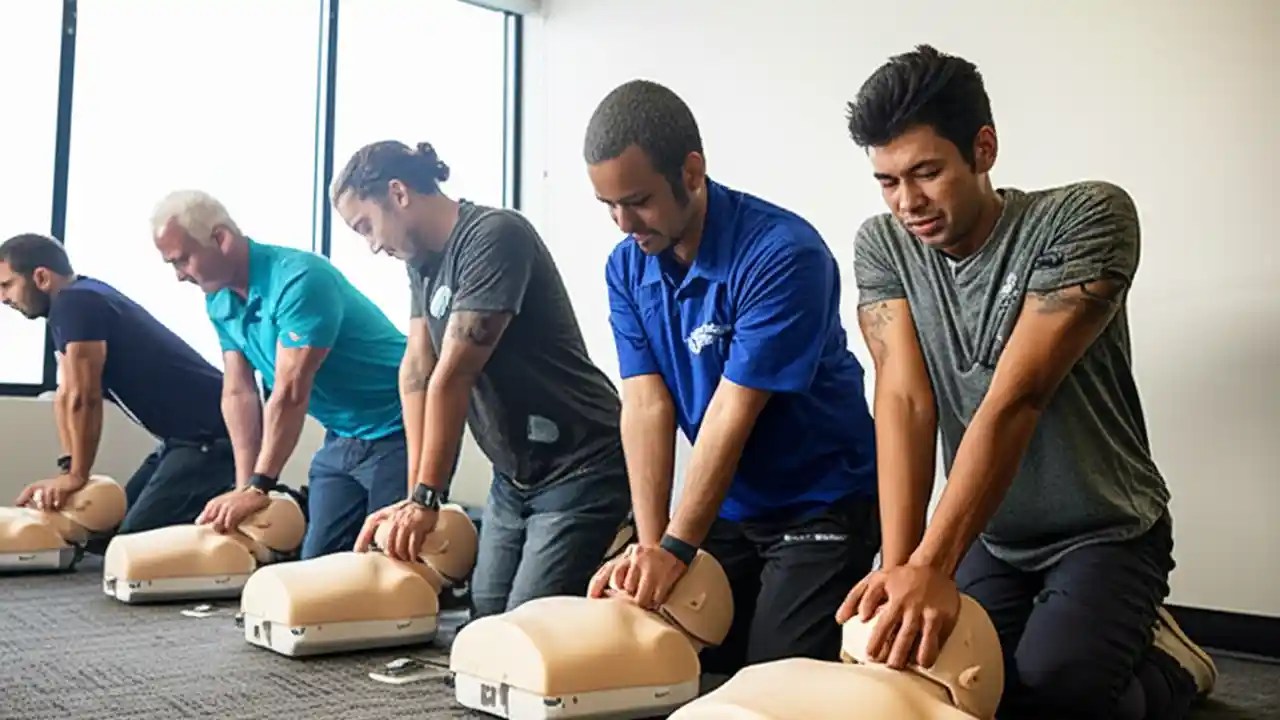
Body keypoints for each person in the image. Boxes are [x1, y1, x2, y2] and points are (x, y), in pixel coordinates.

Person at [837, 45, 1217, 720]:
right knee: (953, 679)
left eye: (927, 172)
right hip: (994, 531)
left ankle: (1170, 663)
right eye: (888, 181)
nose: (908, 203)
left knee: (1052, 694)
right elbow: (902, 399)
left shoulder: (1083, 220)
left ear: (983, 148)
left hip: (1104, 528)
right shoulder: (884, 246)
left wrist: (932, 567)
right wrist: (902, 567)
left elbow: (1017, 398)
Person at [582, 79, 881, 674]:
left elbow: (732, 412)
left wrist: (674, 548)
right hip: (731, 508)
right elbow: (646, 406)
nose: (622, 223)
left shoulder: (783, 254)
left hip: (819, 502)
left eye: (637, 200)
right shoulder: (627, 267)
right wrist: (651, 546)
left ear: (691, 172)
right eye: (608, 205)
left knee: (770, 678)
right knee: (658, 646)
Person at [330, 140, 631, 616]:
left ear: (398, 193)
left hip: (582, 463)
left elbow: (453, 374)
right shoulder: (420, 264)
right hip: (514, 477)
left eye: (366, 225)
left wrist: (429, 497)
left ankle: (613, 542)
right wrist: (413, 499)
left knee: (523, 631)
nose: (371, 244)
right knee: (482, 625)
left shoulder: (494, 236)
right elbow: (416, 372)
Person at [149, 190, 409, 560]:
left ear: (220, 238)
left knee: (390, 565)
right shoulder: (219, 298)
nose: (179, 276)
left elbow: (289, 392)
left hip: (399, 423)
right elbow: (239, 392)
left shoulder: (299, 279)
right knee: (316, 568)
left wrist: (261, 485)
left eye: (183, 260)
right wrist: (244, 488)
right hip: (342, 436)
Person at [0, 233, 235, 539]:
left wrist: (76, 476)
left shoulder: (77, 302)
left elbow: (84, 397)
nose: (3, 298)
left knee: (131, 542)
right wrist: (69, 469)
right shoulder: (70, 306)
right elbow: (66, 395)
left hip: (213, 437)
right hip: (183, 439)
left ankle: (265, 513)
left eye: (7, 285)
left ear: (41, 277)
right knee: (107, 530)